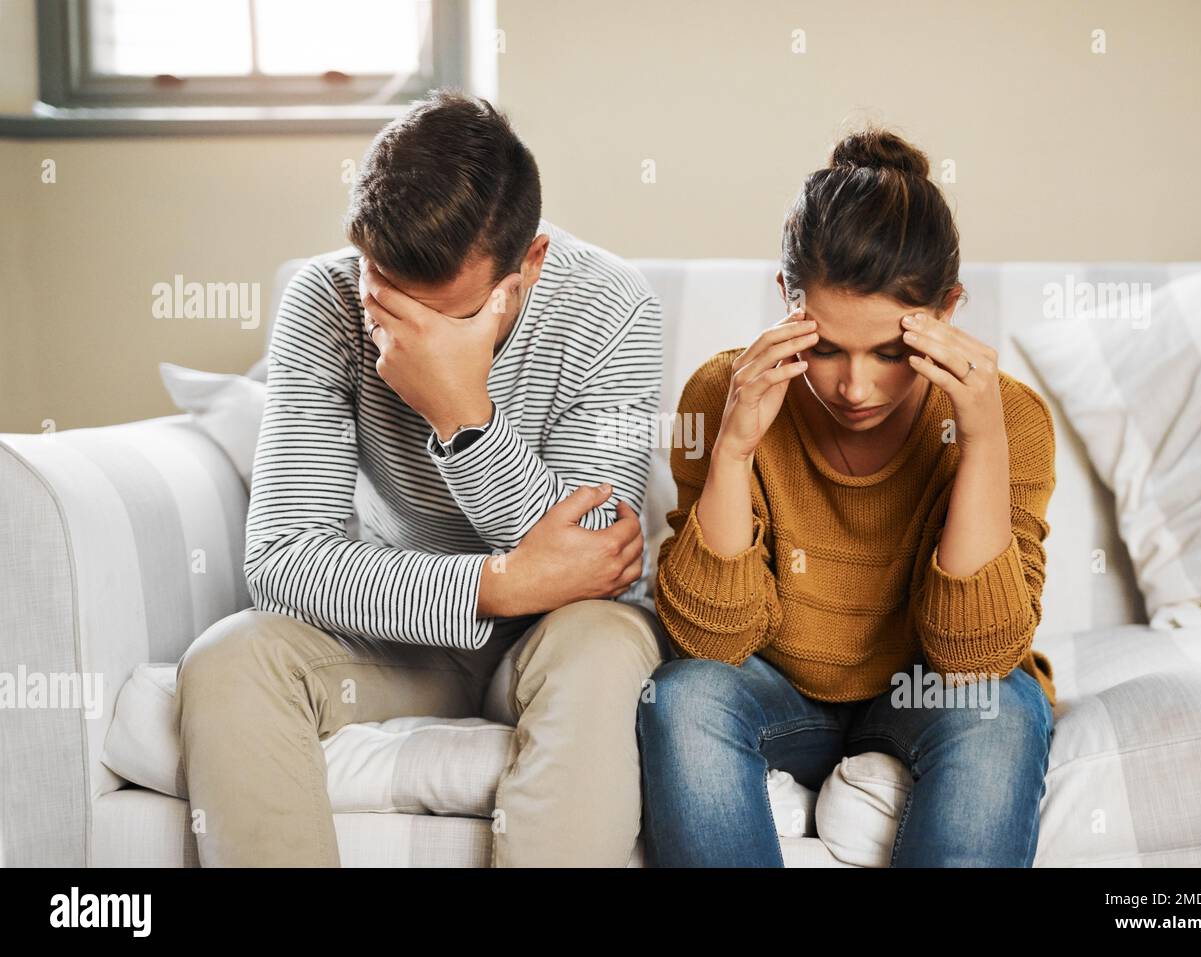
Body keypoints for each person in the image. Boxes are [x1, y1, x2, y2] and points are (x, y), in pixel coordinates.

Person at [176, 90, 670, 867]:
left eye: (446, 316)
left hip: (556, 639)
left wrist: (462, 413)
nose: (396, 334)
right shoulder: (325, 298)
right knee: (229, 657)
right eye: (384, 294)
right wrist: (497, 583)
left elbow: (597, 563)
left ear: (525, 266)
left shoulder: (610, 306)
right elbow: (281, 556)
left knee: (606, 643)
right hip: (400, 640)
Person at [638, 127, 1057, 867]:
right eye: (825, 347)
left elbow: (977, 656)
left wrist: (982, 443)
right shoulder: (724, 393)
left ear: (949, 309)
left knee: (1002, 709)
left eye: (891, 353)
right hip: (782, 697)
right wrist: (734, 446)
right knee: (682, 695)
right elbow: (713, 639)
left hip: (929, 692)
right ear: (787, 300)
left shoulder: (1009, 417)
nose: (854, 387)